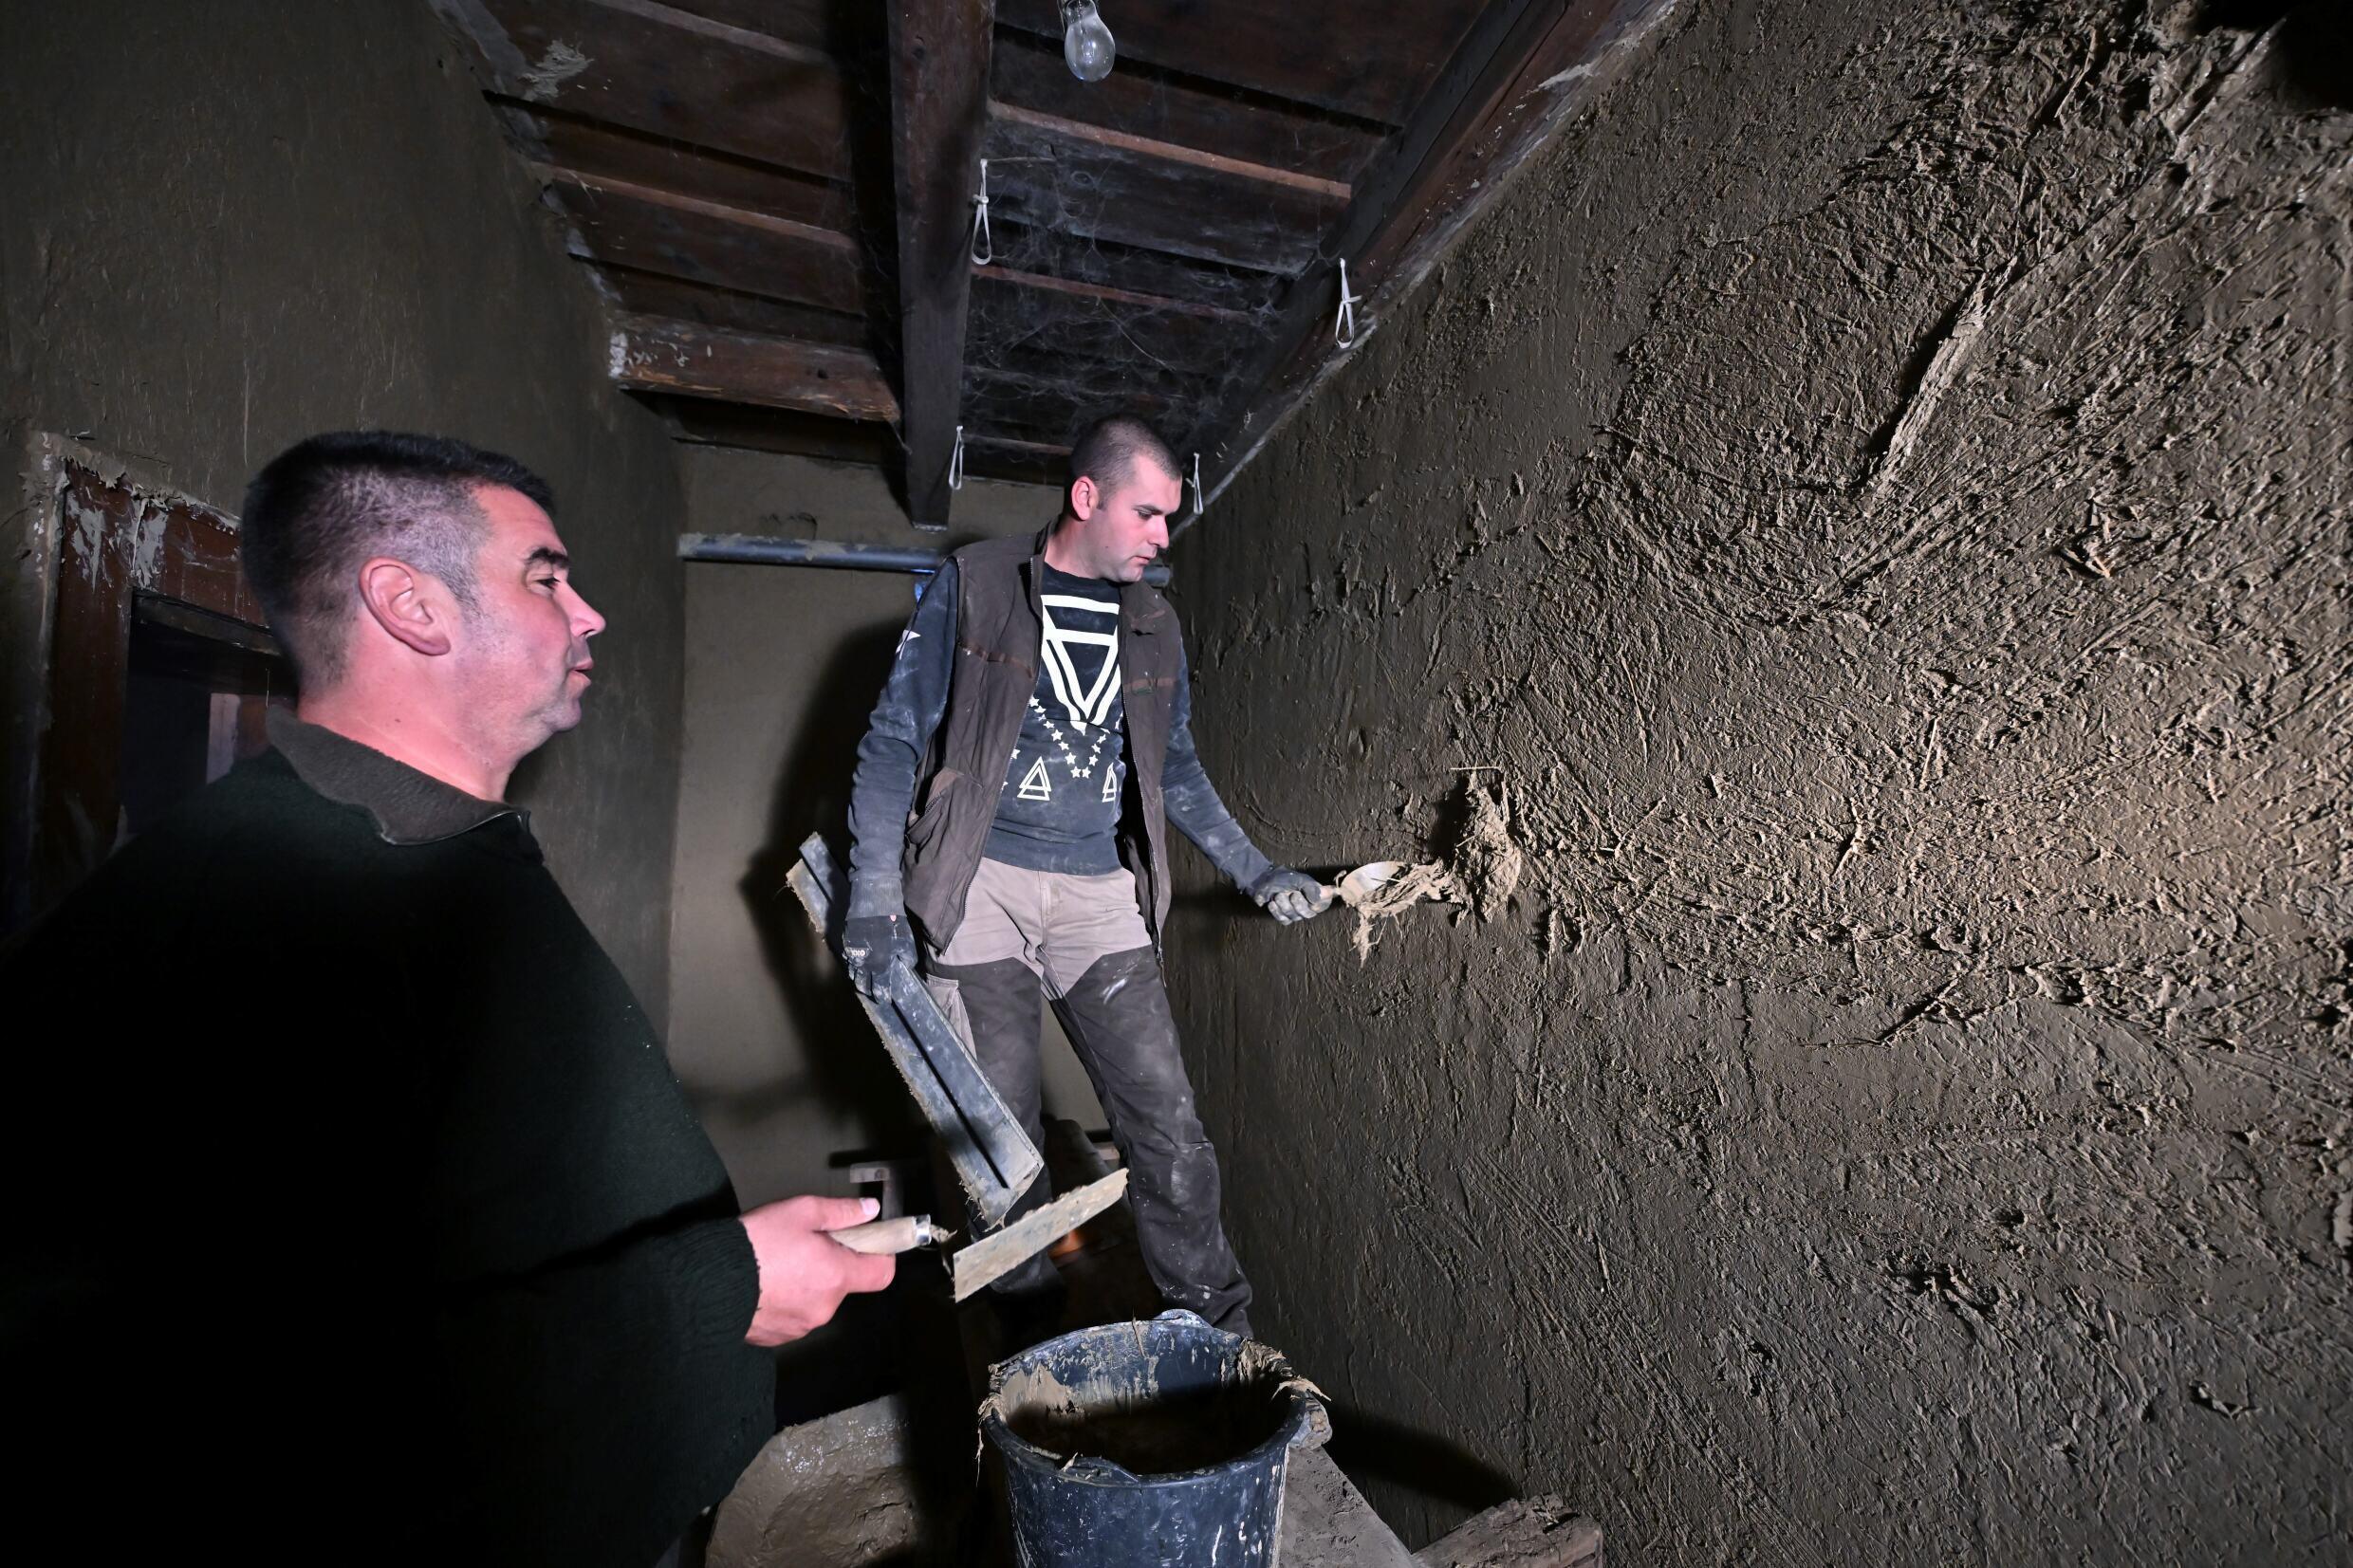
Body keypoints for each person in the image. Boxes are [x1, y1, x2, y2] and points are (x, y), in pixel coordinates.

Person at [0, 433, 892, 1566]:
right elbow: (263, 1434)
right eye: (546, 575)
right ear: (411, 604)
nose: (590, 614)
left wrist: (717, 1256)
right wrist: (720, 1297)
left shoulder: (429, 851)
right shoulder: (244, 920)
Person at [841, 415, 1328, 1341]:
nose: (1160, 537)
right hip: (976, 890)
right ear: (1086, 497)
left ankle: (1218, 1338)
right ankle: (1030, 1347)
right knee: (1001, 1156)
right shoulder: (977, 583)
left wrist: (1255, 870)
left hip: (1098, 896)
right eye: (1147, 514)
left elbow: (1173, 766)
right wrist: (870, 901)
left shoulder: (1153, 623)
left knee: (1171, 1135)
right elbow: (892, 744)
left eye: (1168, 521)